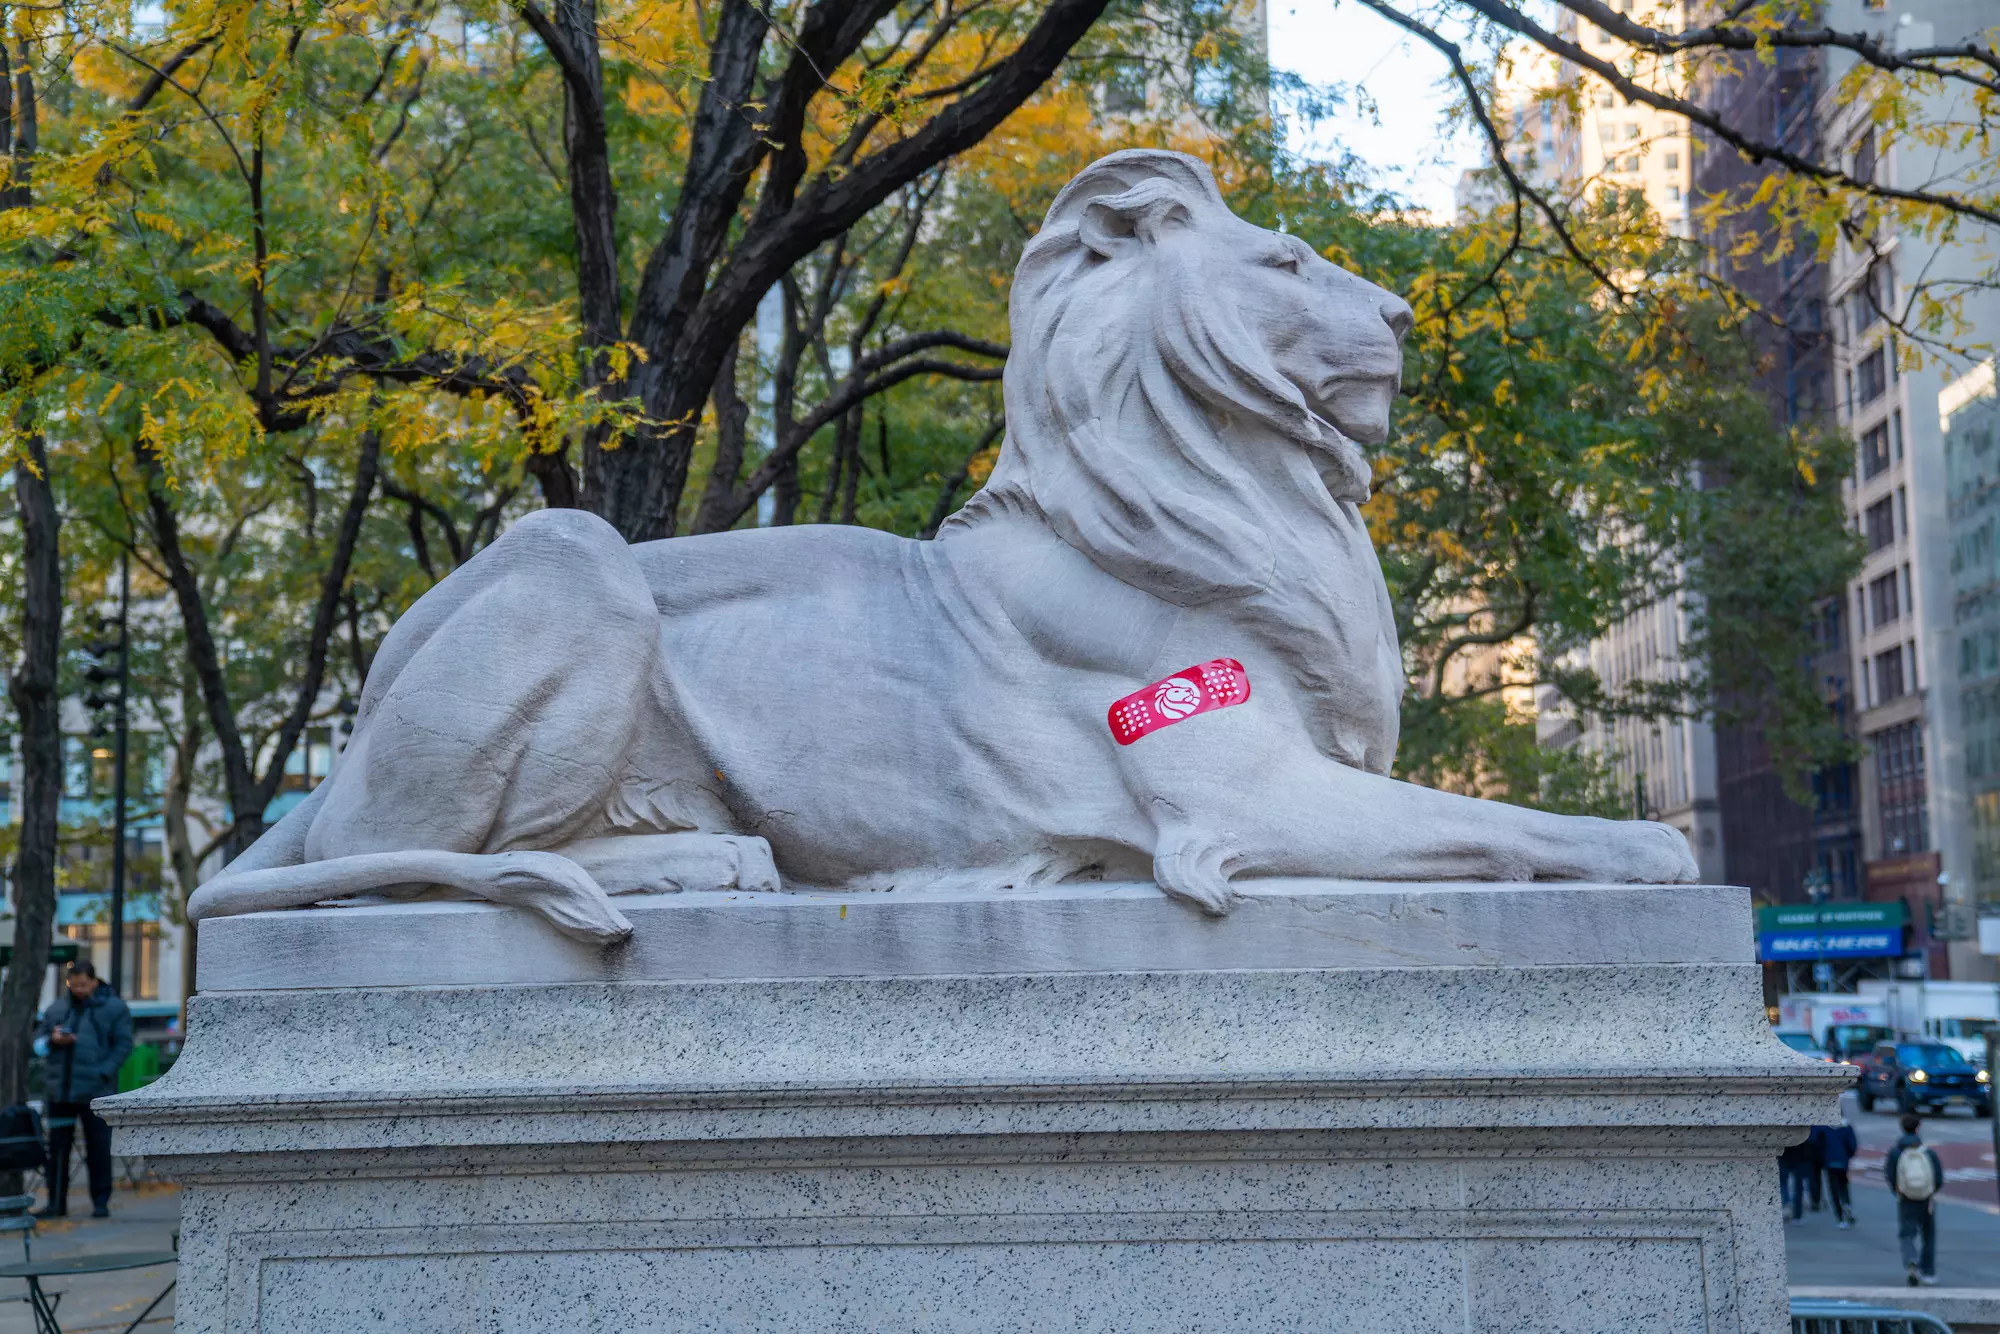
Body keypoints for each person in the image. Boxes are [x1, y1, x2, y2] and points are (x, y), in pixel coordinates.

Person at [34, 960, 133, 1219]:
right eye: (73, 984)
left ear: (93, 981)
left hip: (95, 1091)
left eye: (83, 984)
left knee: (98, 1148)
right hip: (60, 1091)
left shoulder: (113, 1008)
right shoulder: (57, 1008)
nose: (78, 989)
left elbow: (123, 1045)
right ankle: (56, 1203)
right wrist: (53, 1040)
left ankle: (101, 1202)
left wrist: (103, 1071)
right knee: (57, 1150)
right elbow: (39, 1042)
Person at [1885, 1112, 1944, 1286]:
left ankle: (1911, 1260)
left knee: (1907, 1233)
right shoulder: (1928, 1152)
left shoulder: (1896, 1152)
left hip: (1906, 1198)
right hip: (1926, 1199)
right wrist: (1930, 1192)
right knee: (1928, 1235)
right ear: (1918, 1128)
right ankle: (1928, 1272)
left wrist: (1899, 1192)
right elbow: (1938, 1177)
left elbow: (1890, 1175)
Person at [1820, 1117, 1859, 1227]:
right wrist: (1848, 1156)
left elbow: (1819, 1144)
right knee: (1844, 1185)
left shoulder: (1825, 1127)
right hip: (1843, 1161)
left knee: (1833, 1190)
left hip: (1829, 1162)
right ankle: (1847, 1204)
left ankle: (1840, 1217)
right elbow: (1852, 1145)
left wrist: (1822, 1158)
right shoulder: (1847, 1127)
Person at [1779, 1134, 1813, 1224]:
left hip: (1785, 1157)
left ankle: (1787, 1204)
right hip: (1800, 1159)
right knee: (1798, 1188)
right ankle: (1797, 1214)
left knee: (1784, 1183)